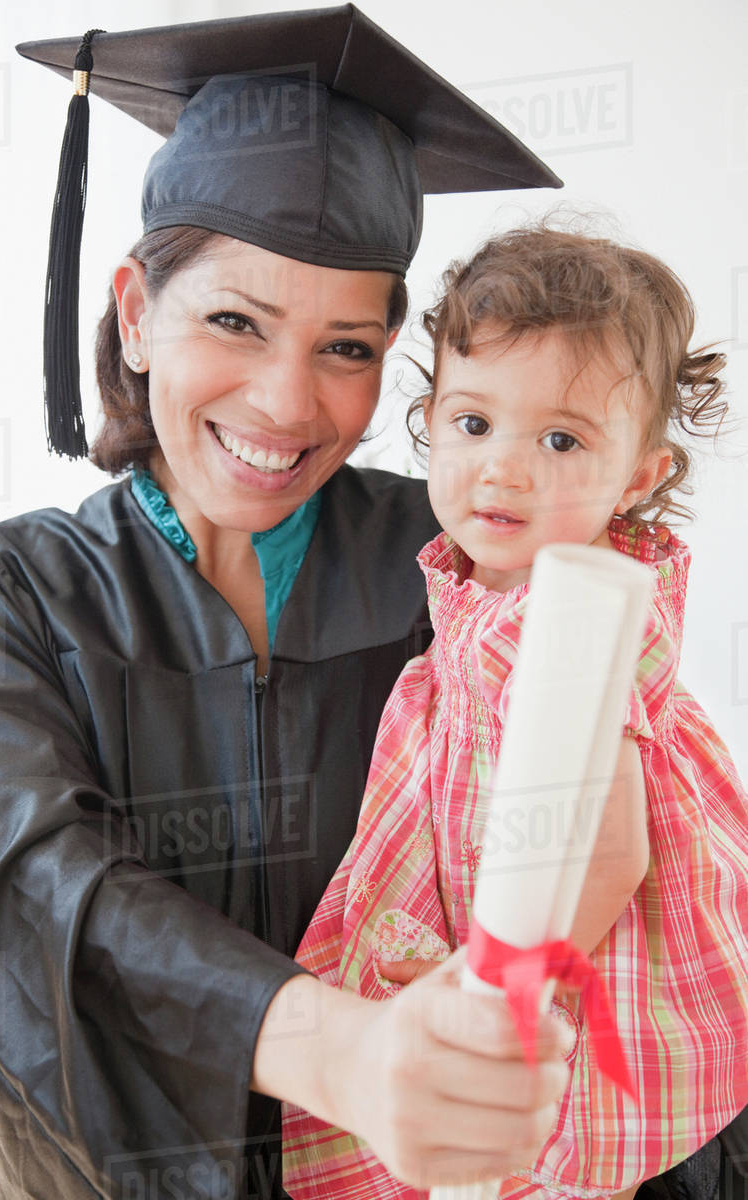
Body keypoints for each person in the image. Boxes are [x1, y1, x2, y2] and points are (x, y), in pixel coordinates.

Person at [0, 9, 579, 1199]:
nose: (287, 404)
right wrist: (348, 1051)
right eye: (234, 321)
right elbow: (27, 884)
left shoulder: (464, 563)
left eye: (348, 348)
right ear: (132, 311)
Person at [282, 226, 748, 1200]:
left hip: (580, 952)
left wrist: (504, 981)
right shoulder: (492, 584)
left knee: (548, 1147)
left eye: (562, 439)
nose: (504, 468)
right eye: (474, 423)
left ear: (638, 478)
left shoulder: (577, 614)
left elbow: (614, 849)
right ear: (430, 419)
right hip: (507, 890)